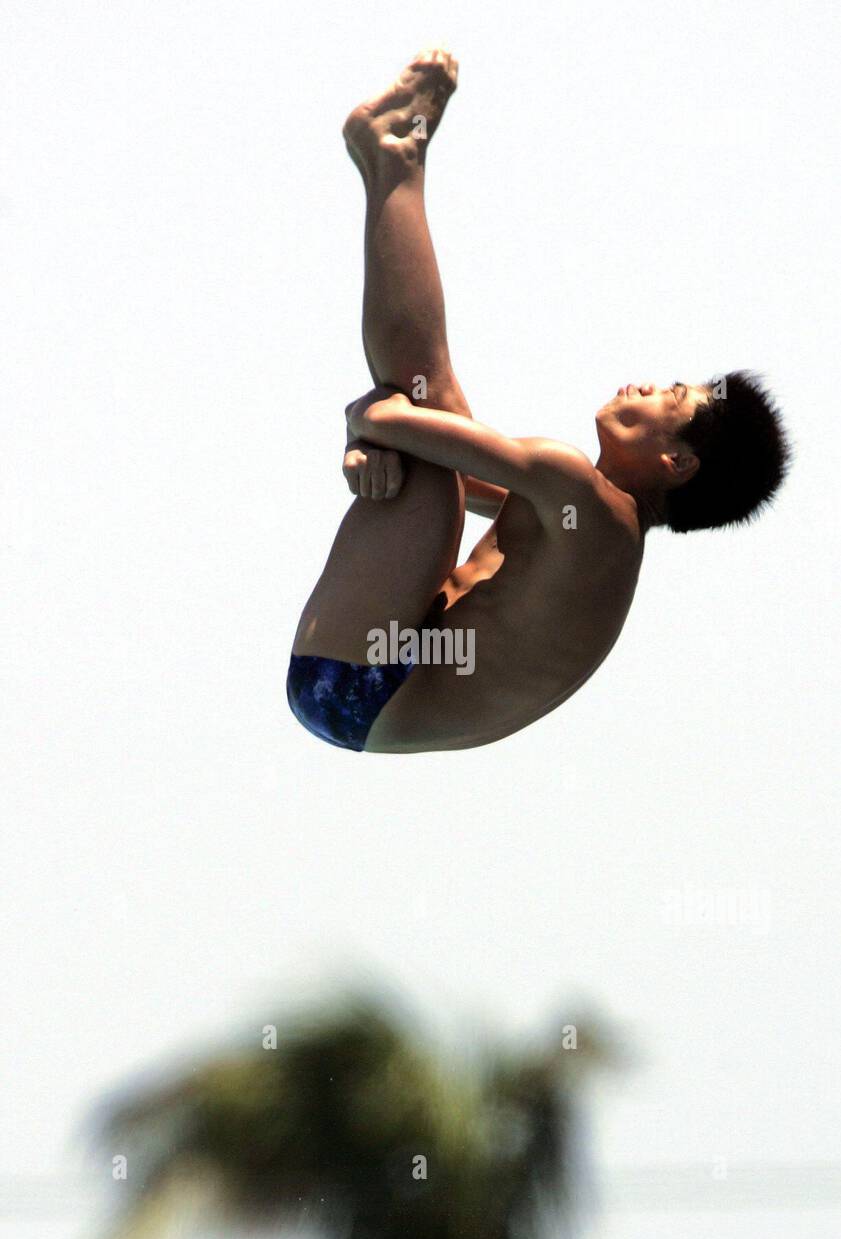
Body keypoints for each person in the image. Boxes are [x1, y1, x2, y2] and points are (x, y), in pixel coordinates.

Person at [288, 50, 789, 754]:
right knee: (436, 437)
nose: (645, 384)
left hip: (359, 679)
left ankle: (394, 164)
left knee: (426, 443)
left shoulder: (575, 491)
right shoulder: (587, 526)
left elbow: (393, 417)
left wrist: (372, 437)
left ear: (676, 461)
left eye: (671, 396)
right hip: (370, 686)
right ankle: (391, 164)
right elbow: (440, 431)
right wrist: (385, 450)